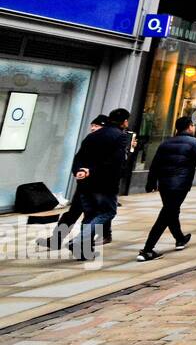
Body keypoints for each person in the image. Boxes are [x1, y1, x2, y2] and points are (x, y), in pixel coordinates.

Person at [137, 116, 196, 262]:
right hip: (180, 185)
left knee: (171, 211)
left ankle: (180, 239)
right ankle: (147, 250)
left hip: (165, 185)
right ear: (190, 127)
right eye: (193, 126)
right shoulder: (195, 143)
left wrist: (151, 183)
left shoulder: (166, 143)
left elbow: (155, 165)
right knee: (166, 214)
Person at [39, 115, 110, 251]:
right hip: (84, 184)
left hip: (100, 185)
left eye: (97, 126)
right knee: (73, 213)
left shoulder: (110, 143)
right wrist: (77, 171)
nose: (93, 128)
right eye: (92, 126)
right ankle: (56, 240)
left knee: (92, 216)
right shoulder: (89, 140)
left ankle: (83, 245)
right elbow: (78, 158)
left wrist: (91, 171)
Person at [69, 107, 132, 259]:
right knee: (107, 212)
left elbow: (79, 156)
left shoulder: (93, 135)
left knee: (90, 214)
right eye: (127, 121)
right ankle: (78, 242)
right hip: (105, 183)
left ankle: (83, 251)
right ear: (124, 121)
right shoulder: (120, 137)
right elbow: (115, 162)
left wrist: (79, 171)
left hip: (85, 182)